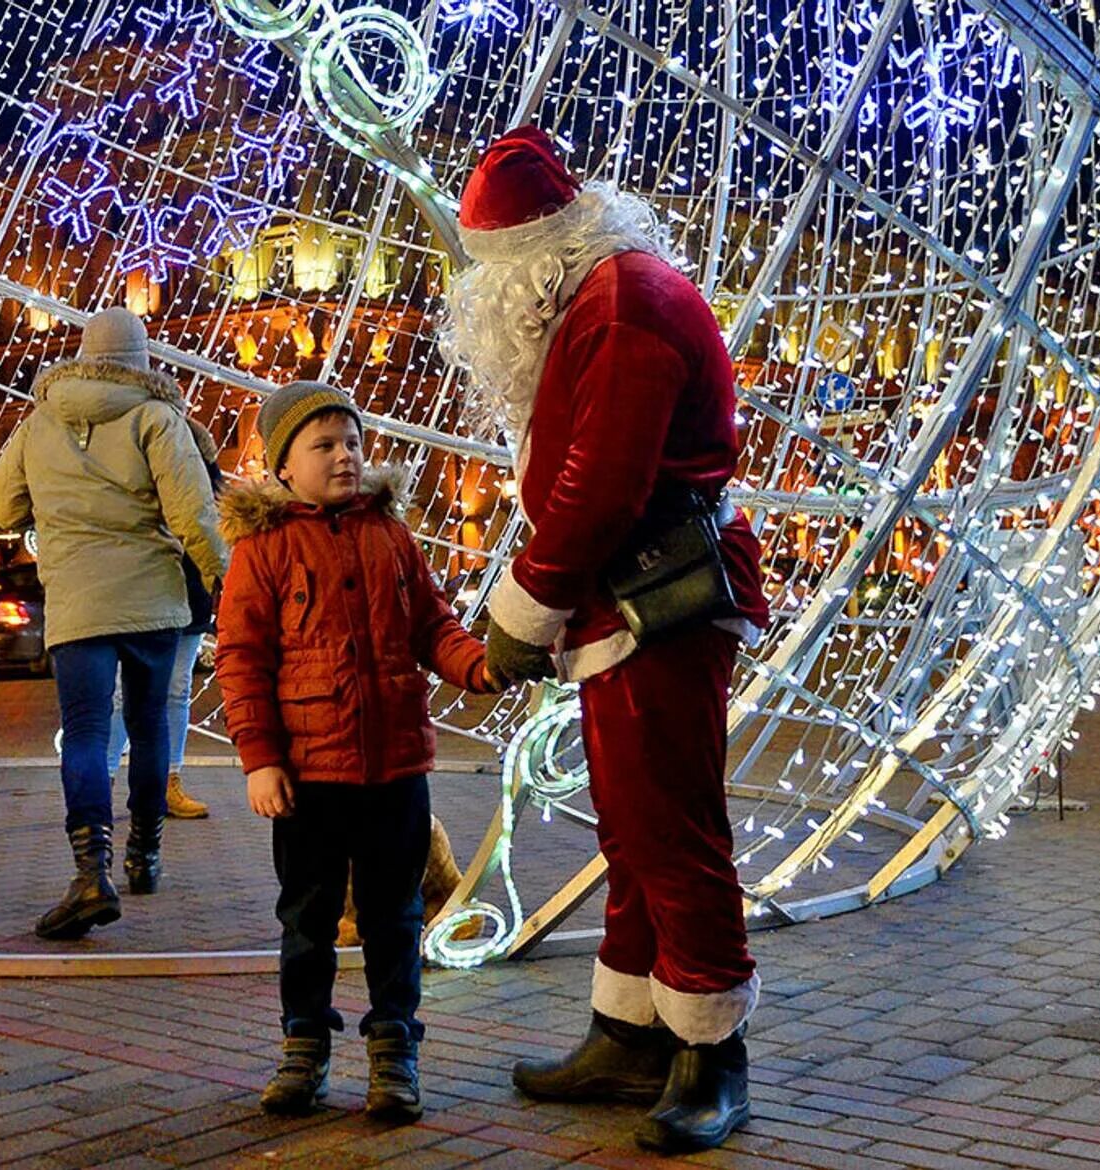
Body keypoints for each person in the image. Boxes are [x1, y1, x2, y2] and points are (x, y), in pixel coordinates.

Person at [441, 124, 772, 1153]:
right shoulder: (606, 291)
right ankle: (626, 1031)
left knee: (670, 831)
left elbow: (598, 487)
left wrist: (519, 612)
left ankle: (711, 1051)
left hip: (652, 602)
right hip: (630, 602)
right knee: (633, 829)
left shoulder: (619, 304)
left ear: (521, 256)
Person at [215, 381, 493, 1122]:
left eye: (352, 443)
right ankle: (304, 1046)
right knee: (306, 918)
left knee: (395, 914)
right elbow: (242, 660)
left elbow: (433, 624)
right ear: (282, 467)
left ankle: (395, 1046)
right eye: (324, 446)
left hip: (395, 764)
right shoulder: (262, 548)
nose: (344, 457)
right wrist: (260, 758)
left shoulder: (391, 535)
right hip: (308, 774)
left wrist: (478, 665)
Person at [0, 307, 226, 941]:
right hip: (152, 600)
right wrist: (223, 575)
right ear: (143, 362)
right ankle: (143, 854)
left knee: (87, 732)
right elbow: (192, 514)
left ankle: (90, 870)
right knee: (148, 730)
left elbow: (0, 503)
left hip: (76, 602)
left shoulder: (38, 420)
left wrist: (53, 511)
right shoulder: (158, 417)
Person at [102, 416, 223, 819]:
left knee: (174, 689)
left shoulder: (206, 474)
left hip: (189, 595)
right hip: (147, 593)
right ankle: (105, 780)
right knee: (127, 692)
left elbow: (217, 531)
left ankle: (170, 780)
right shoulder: (142, 469)